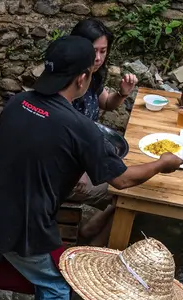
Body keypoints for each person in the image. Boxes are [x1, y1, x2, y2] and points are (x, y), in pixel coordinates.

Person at [0, 36, 180, 300]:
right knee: (55, 286)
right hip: (25, 226)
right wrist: (162, 163)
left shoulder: (17, 103)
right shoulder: (81, 128)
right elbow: (122, 180)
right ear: (82, 78)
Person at [68, 18, 139, 243]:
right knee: (130, 193)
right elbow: (56, 134)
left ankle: (90, 230)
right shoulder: (68, 80)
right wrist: (77, 170)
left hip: (86, 159)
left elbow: (106, 103)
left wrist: (123, 93)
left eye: (103, 51)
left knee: (130, 183)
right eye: (93, 51)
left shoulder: (93, 76)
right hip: (68, 171)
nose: (97, 58)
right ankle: (97, 250)